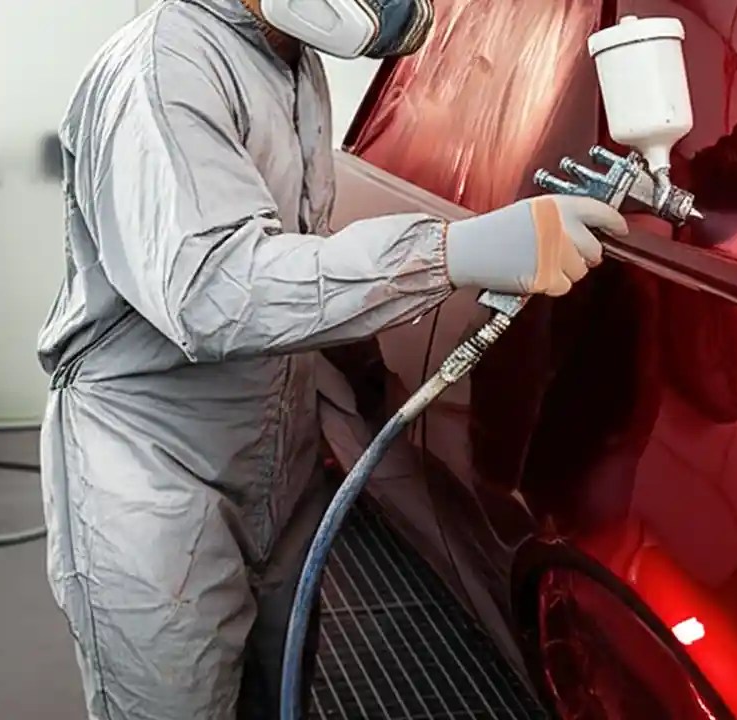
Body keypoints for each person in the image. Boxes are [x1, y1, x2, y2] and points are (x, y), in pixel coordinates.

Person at [35, 0, 628, 717]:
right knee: (175, 698)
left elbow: (300, 243)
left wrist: (367, 371)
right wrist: (451, 251)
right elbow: (214, 290)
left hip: (273, 453)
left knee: (275, 684)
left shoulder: (291, 63)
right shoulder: (163, 67)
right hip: (157, 466)